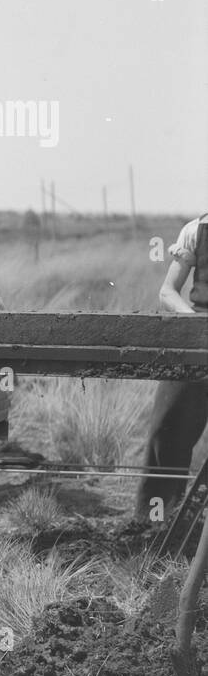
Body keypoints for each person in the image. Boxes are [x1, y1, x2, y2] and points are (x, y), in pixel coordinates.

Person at [137, 212, 208, 522]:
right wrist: (196, 324)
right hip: (199, 345)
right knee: (165, 433)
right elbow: (167, 292)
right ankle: (157, 524)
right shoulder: (197, 230)